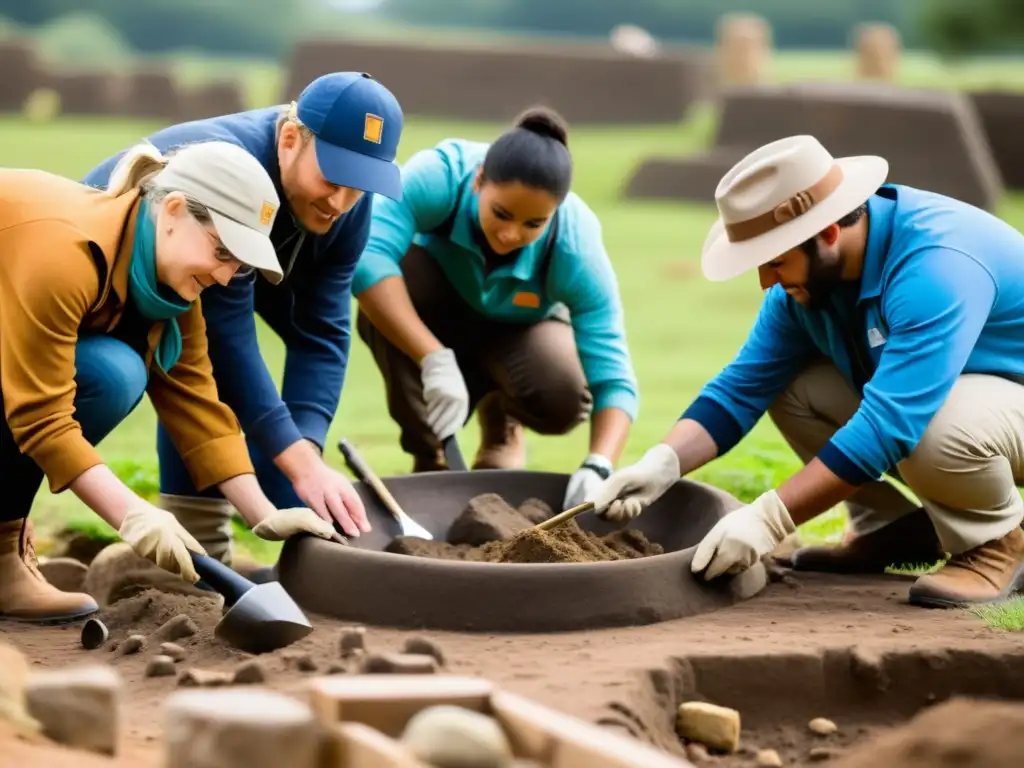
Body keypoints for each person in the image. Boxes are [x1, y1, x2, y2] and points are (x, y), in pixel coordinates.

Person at [592, 134, 1024, 608]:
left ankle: (996, 545)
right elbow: (742, 387)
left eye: (775, 261)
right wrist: (663, 464)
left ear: (829, 233)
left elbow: (890, 425)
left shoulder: (935, 268)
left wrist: (769, 520)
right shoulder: (809, 282)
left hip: (1002, 407)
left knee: (932, 424)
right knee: (794, 388)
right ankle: (895, 531)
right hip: (987, 408)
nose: (765, 282)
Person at [1, 140, 343, 623]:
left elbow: (196, 401)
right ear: (175, 211)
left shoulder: (167, 286)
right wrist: (132, 514)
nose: (227, 277)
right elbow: (41, 417)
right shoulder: (67, 252)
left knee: (112, 371)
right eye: (223, 251)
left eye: (239, 264)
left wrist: (261, 512)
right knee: (107, 377)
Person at [83, 72, 405, 565]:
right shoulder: (233, 171)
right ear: (291, 138)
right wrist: (293, 458)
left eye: (360, 186)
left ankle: (194, 557)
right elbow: (224, 338)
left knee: (292, 462)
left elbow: (322, 332)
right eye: (334, 177)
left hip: (192, 294)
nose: (341, 202)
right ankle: (12, 535)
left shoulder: (345, 207)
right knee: (115, 377)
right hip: (94, 296)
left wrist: (307, 452)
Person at [352, 107, 639, 509]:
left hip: (522, 329)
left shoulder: (576, 245)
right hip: (436, 311)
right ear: (479, 179)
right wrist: (432, 357)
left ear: (555, 212)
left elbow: (615, 379)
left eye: (532, 224)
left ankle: (501, 415)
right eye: (501, 213)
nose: (510, 234)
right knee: (389, 282)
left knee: (563, 395)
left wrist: (599, 465)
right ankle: (430, 454)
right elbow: (368, 260)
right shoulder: (440, 176)